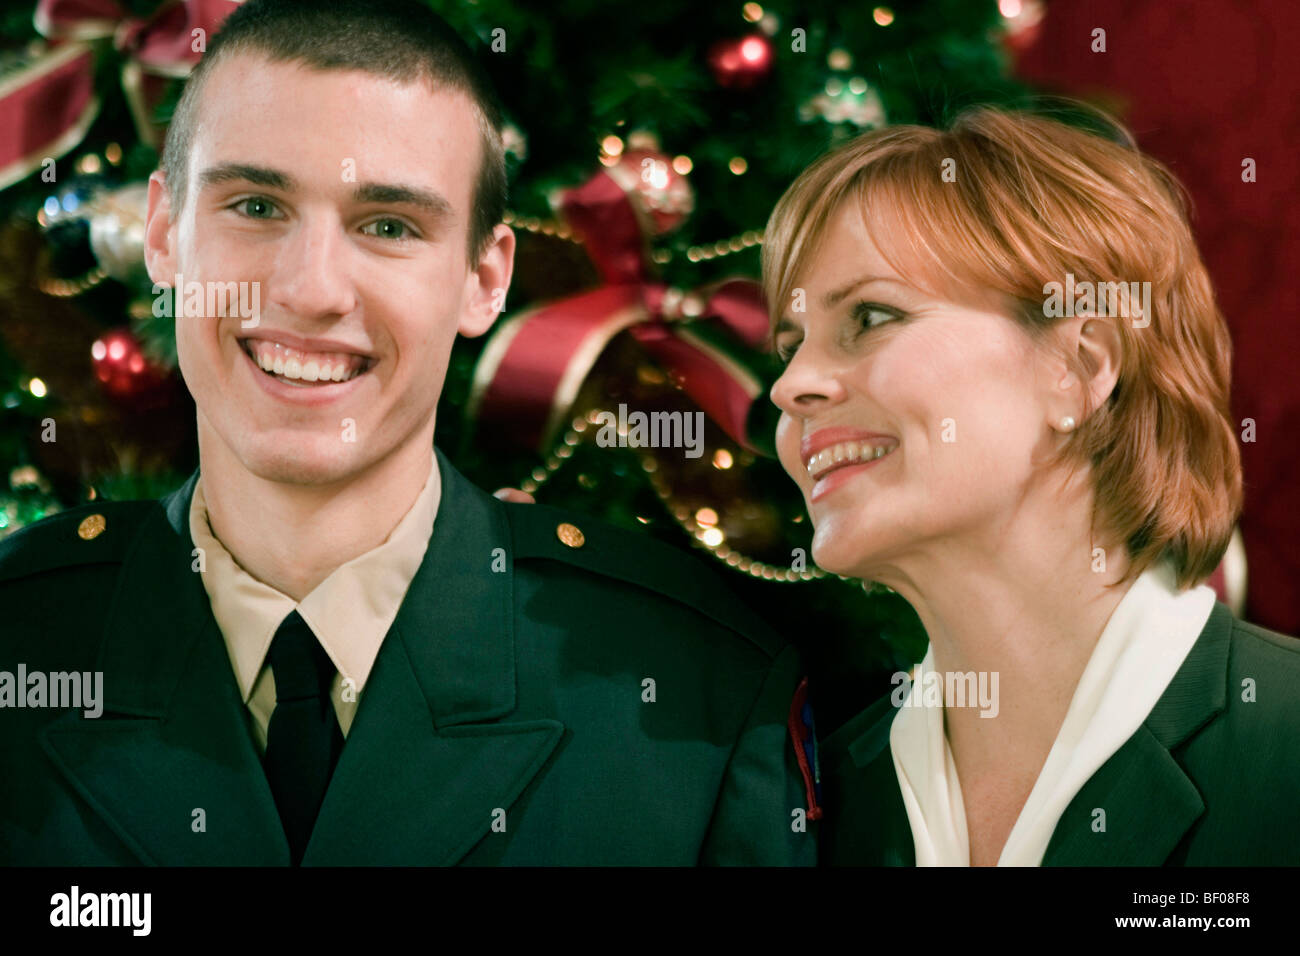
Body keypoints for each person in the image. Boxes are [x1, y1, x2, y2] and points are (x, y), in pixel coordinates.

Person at [0, 0, 814, 866]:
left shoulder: (697, 698)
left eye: (387, 226)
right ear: (165, 237)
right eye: (255, 206)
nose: (312, 290)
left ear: (483, 278)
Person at [762, 106, 1300, 865]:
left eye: (871, 316)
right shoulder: (801, 808)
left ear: (1078, 368)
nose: (791, 386)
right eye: (789, 347)